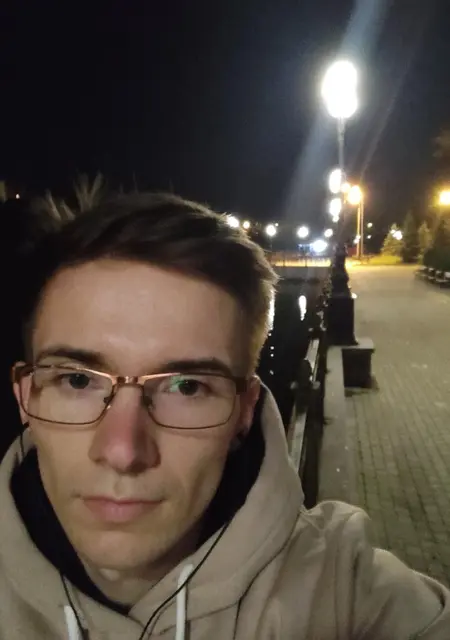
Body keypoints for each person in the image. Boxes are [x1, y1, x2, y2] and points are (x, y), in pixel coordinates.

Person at [1, 193, 449, 639]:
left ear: (244, 411)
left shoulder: (342, 594)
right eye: (78, 380)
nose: (122, 451)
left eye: (186, 387)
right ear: (24, 396)